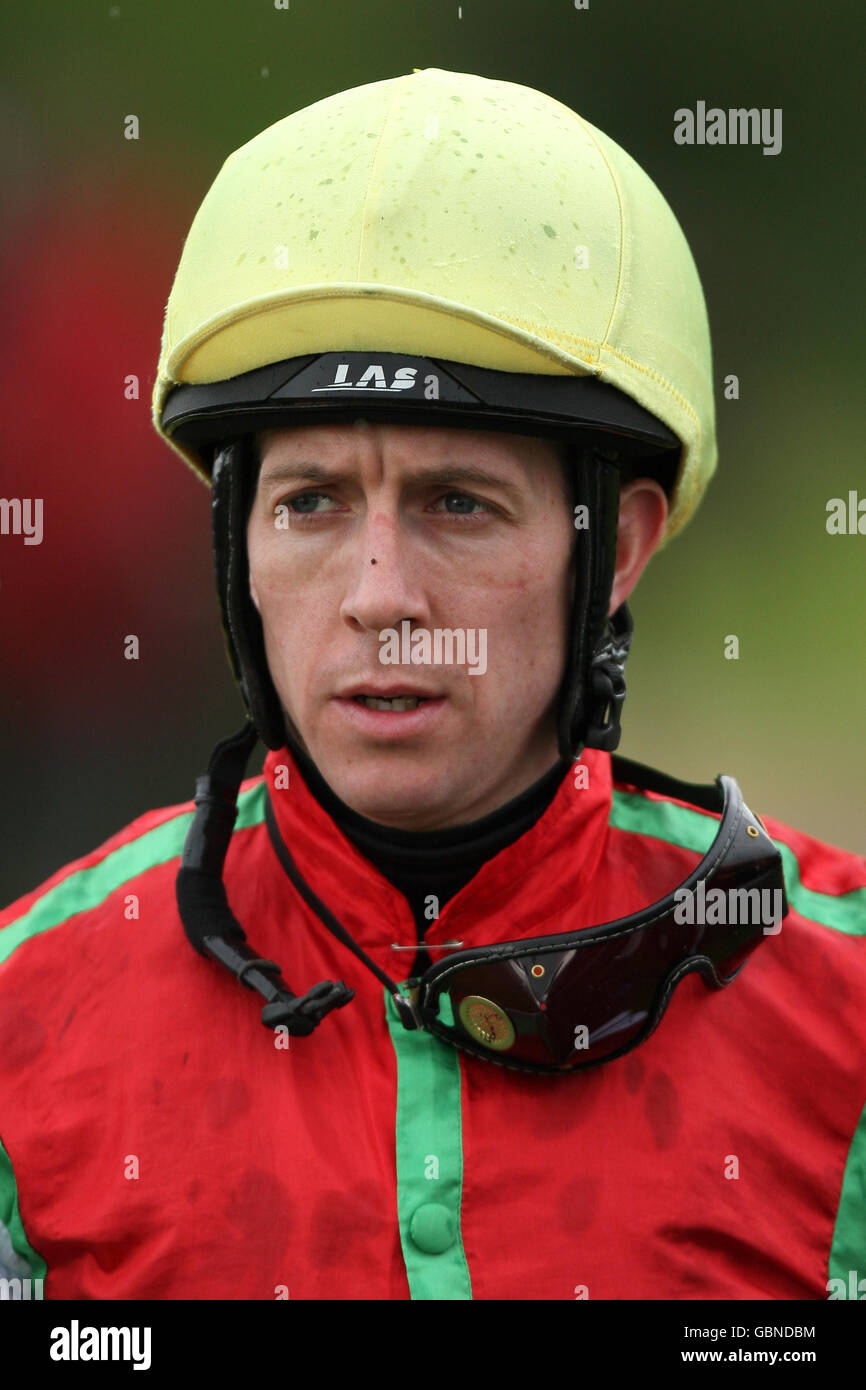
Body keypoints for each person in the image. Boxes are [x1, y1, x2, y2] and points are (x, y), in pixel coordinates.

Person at [1, 67, 863, 1303]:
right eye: (309, 504)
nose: (376, 594)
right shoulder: (21, 1017)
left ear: (614, 548)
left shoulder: (846, 1010)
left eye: (456, 504)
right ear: (236, 543)